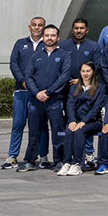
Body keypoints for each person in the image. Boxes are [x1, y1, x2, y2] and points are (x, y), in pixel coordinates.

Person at [22, 25, 71, 173]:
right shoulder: (36, 56)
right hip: (36, 100)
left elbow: (64, 76)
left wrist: (49, 92)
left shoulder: (64, 55)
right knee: (34, 131)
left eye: (53, 35)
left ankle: (59, 161)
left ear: (58, 38)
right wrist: (37, 93)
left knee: (58, 132)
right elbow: (28, 76)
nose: (50, 38)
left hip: (55, 100)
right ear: (43, 37)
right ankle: (30, 160)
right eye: (47, 35)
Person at [4, 16, 46, 170]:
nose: (37, 28)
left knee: (40, 126)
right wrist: (23, 80)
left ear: (44, 27)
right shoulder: (20, 44)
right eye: (34, 25)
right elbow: (14, 64)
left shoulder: (47, 45)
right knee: (18, 124)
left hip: (39, 93)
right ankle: (12, 155)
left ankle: (43, 156)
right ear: (29, 27)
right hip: (22, 91)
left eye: (40, 25)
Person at [59, 62, 105, 176]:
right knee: (69, 131)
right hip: (76, 120)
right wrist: (73, 120)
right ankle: (67, 162)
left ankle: (77, 163)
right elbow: (70, 105)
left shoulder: (99, 88)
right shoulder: (75, 87)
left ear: (93, 72)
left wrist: (84, 122)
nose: (85, 74)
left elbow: (96, 108)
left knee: (80, 132)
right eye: (83, 71)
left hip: (93, 121)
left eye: (88, 71)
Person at [60, 18, 102, 88]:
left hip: (87, 85)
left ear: (87, 30)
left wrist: (81, 80)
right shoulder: (63, 45)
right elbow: (59, 66)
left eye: (82, 28)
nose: (79, 31)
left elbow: (97, 66)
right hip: (66, 85)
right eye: (76, 28)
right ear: (72, 30)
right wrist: (70, 80)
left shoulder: (94, 46)